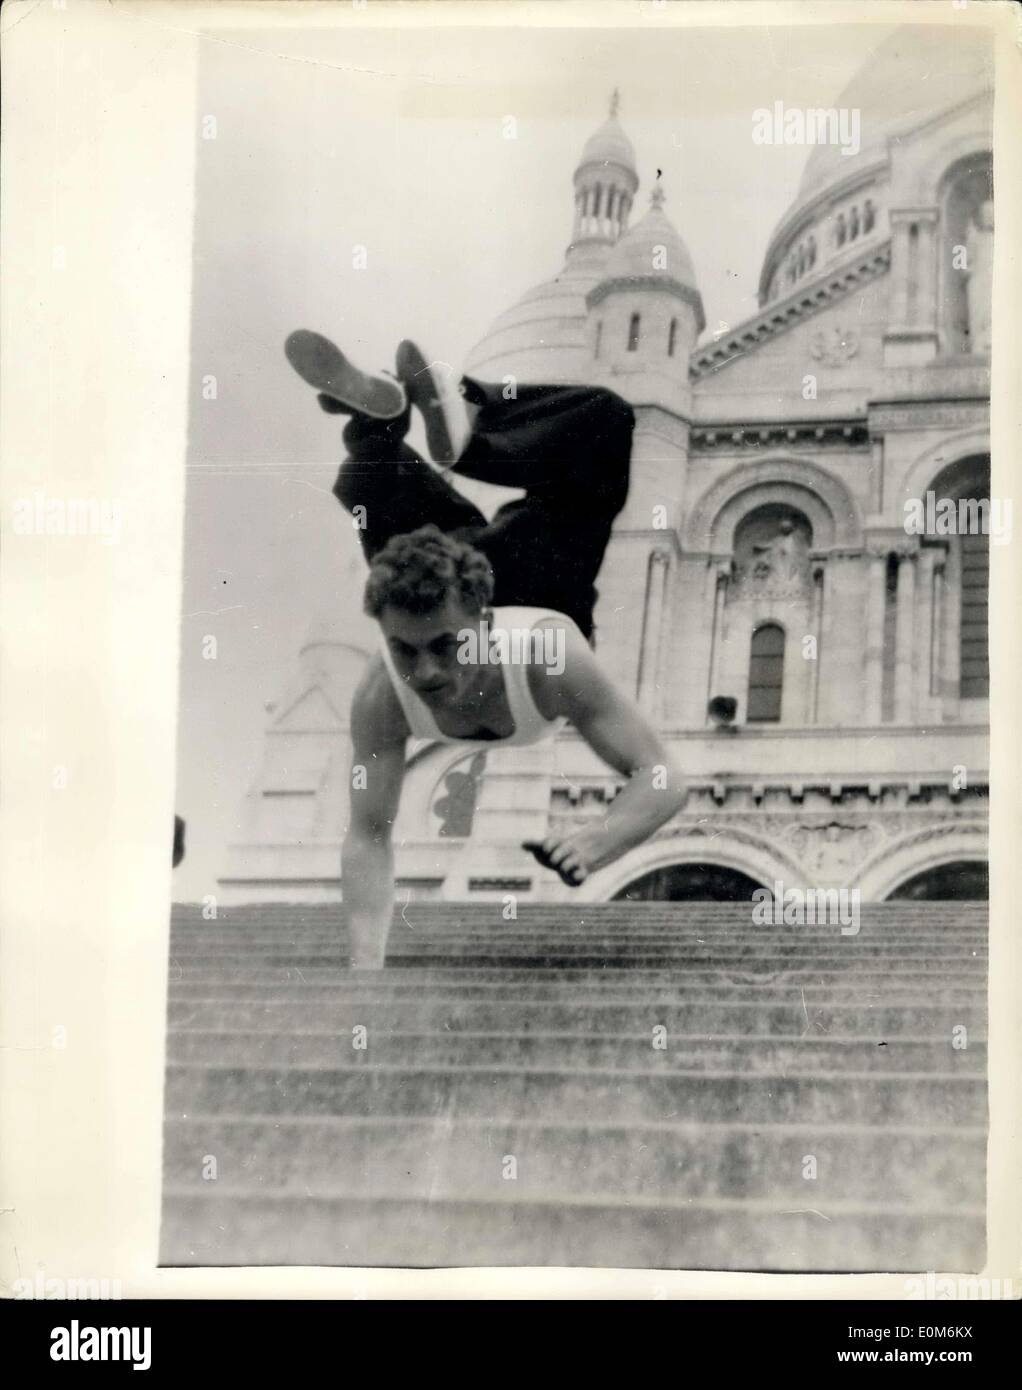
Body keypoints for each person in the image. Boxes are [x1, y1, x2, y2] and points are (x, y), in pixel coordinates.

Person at [285, 330, 687, 968]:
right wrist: (364, 972)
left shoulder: (549, 658)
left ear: (481, 616)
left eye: (442, 648)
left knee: (605, 421)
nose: (426, 671)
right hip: (461, 566)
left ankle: (467, 427)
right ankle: (379, 418)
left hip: (537, 590)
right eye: (405, 650)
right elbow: (367, 836)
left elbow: (661, 776)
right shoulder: (382, 691)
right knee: (378, 494)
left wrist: (599, 840)